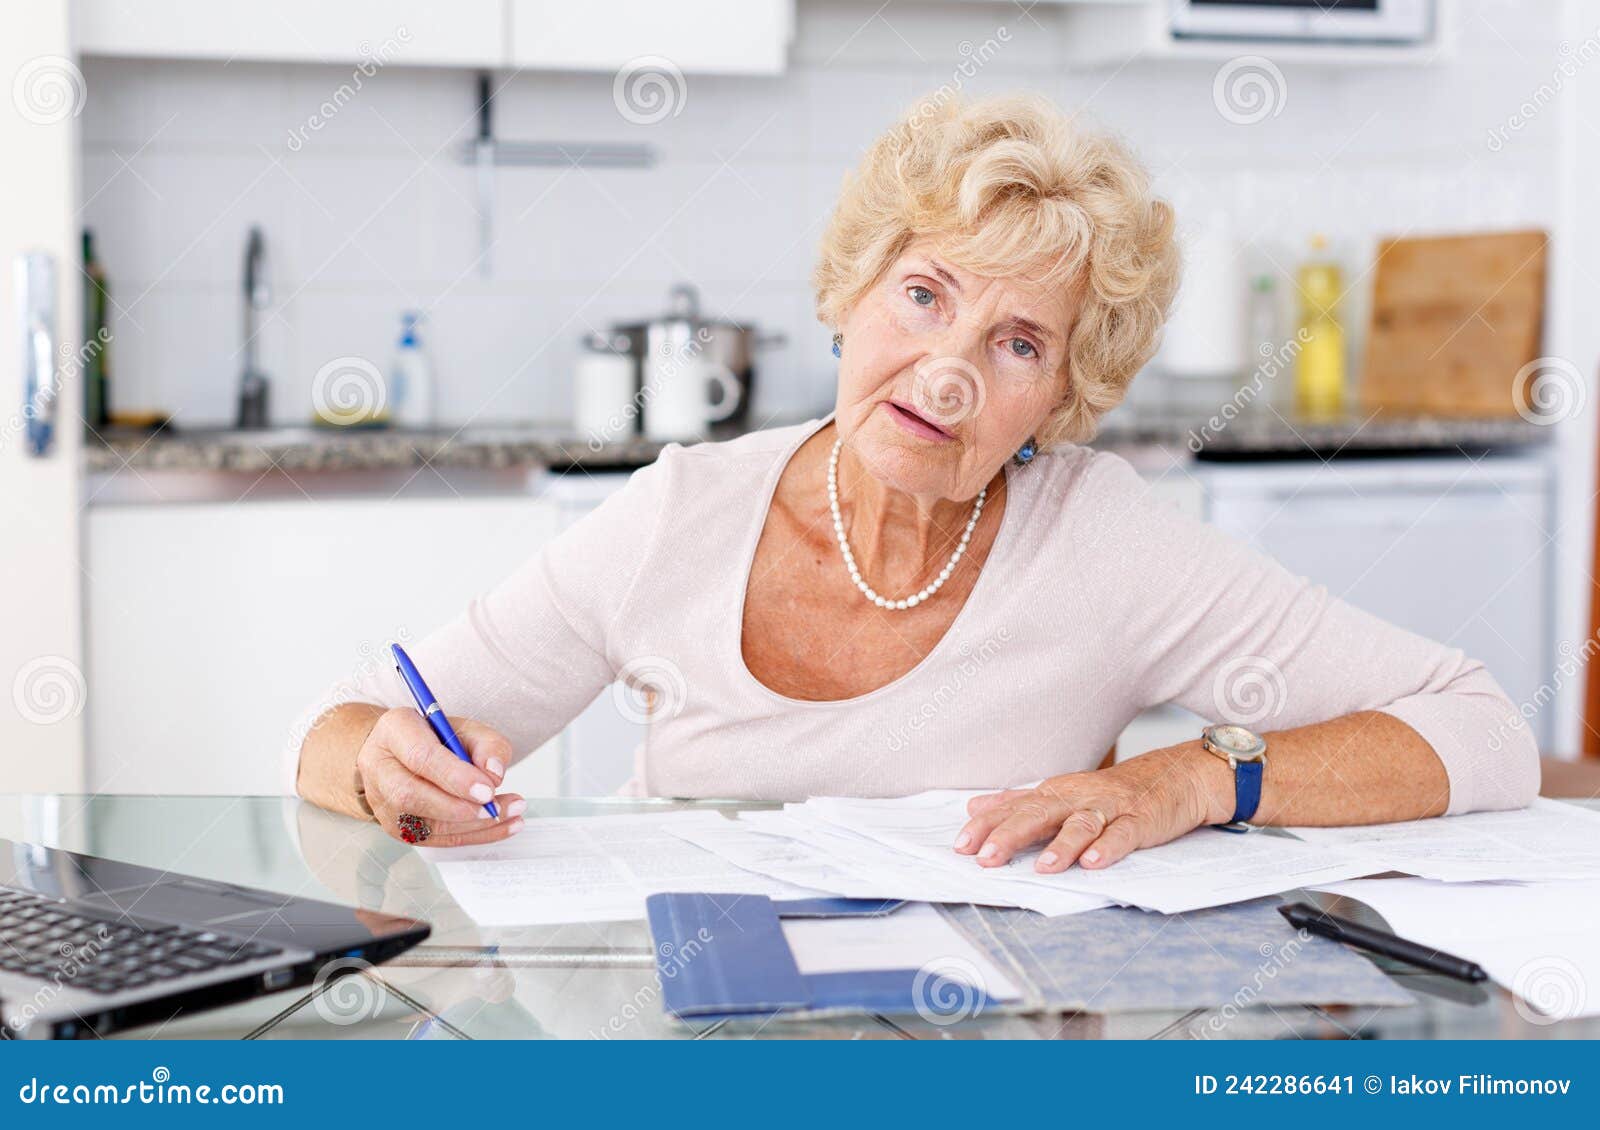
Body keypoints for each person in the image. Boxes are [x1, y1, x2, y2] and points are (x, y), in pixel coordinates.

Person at [291, 94, 1538, 872]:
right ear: (847, 297)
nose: (946, 373)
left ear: (1060, 396)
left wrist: (1191, 778)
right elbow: (344, 727)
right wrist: (383, 772)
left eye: (1016, 342)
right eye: (925, 294)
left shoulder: (1099, 540)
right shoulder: (684, 510)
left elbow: (1479, 729)